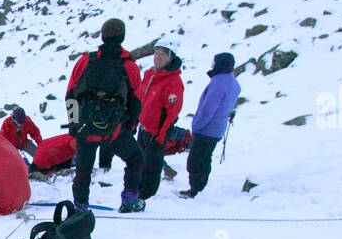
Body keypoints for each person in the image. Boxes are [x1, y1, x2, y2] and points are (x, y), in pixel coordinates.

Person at [65, 17, 146, 212]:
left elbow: (70, 95)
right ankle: (130, 200)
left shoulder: (85, 62)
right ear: (122, 37)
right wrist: (130, 126)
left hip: (85, 128)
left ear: (102, 36)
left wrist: (74, 124)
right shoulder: (129, 67)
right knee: (135, 158)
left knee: (83, 170)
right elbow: (136, 100)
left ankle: (80, 208)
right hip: (114, 129)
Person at [181, 52, 240, 198]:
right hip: (218, 129)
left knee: (195, 161)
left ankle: (194, 190)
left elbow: (208, 109)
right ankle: (198, 187)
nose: (212, 65)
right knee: (205, 158)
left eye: (214, 63)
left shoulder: (218, 83)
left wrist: (197, 125)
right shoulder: (233, 82)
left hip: (206, 129)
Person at [134, 44, 185, 201]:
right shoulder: (150, 75)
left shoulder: (173, 81)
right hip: (143, 127)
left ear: (171, 58)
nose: (157, 56)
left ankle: (146, 196)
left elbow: (172, 112)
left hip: (156, 133)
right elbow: (142, 98)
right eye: (156, 53)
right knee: (140, 161)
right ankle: (137, 190)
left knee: (152, 166)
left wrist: (161, 135)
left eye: (162, 54)